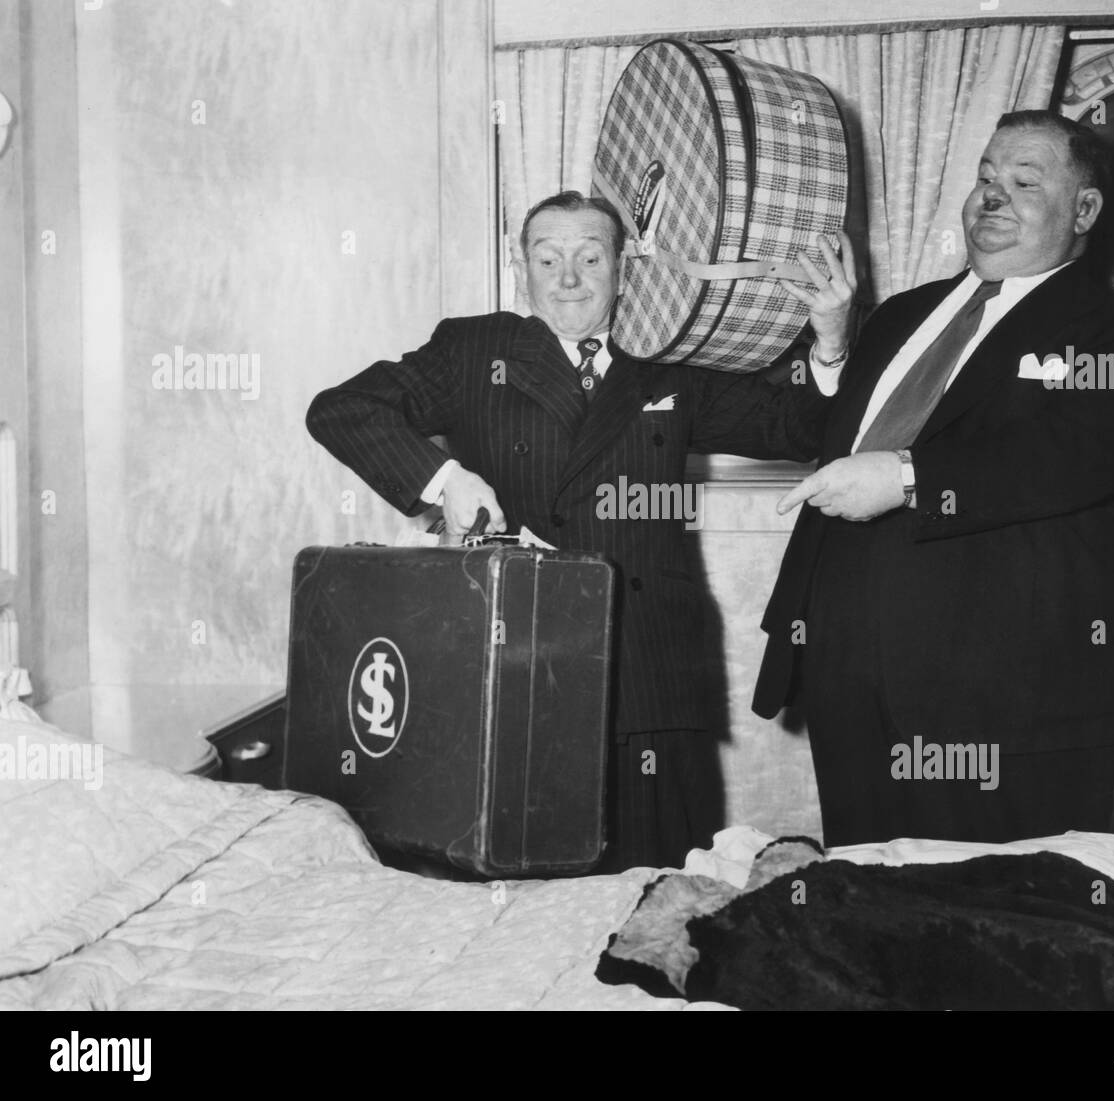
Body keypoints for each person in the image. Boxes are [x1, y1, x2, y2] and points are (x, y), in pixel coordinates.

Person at [307, 190, 857, 871]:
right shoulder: (473, 349)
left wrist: (830, 338)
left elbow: (798, 425)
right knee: (530, 892)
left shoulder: (668, 356)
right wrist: (445, 482)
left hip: (650, 671)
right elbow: (341, 408)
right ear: (521, 266)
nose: (568, 277)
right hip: (516, 667)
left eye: (591, 257)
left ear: (624, 268)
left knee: (660, 900)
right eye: (548, 257)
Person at [753, 111, 1114, 846]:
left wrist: (910, 474)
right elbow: (819, 441)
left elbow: (1074, 454)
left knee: (1005, 924)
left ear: (1084, 211)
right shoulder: (896, 317)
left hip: (1012, 693)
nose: (992, 197)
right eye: (985, 177)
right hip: (850, 674)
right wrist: (830, 344)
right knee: (870, 912)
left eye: (1023, 182)